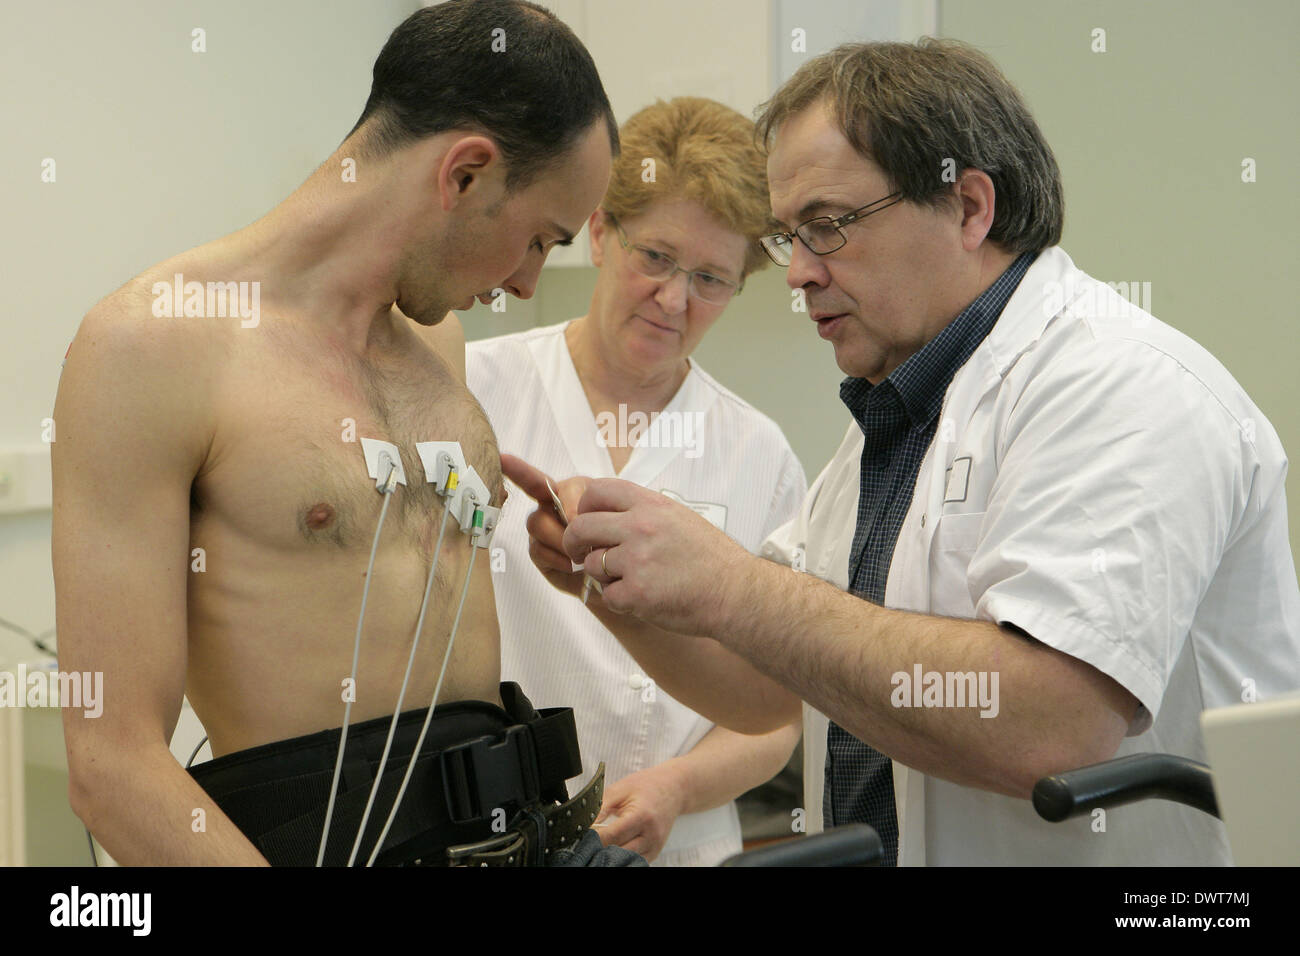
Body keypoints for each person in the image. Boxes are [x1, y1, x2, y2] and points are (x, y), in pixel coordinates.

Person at [504, 39, 1300, 866]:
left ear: (968, 208)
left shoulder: (1125, 387)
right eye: (789, 238)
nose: (797, 276)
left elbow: (1051, 723)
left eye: (828, 228)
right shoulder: (890, 425)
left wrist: (733, 585)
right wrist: (615, 588)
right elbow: (773, 684)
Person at [52, 0, 630, 867]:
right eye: (540, 239)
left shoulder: (436, 341)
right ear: (465, 173)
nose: (526, 282)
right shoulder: (154, 346)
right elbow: (112, 765)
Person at [463, 97, 805, 865]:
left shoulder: (759, 453)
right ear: (598, 232)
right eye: (655, 257)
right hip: (494, 835)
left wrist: (678, 786)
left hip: (680, 844)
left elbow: (777, 718)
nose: (676, 299)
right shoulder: (476, 389)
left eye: (712, 278)